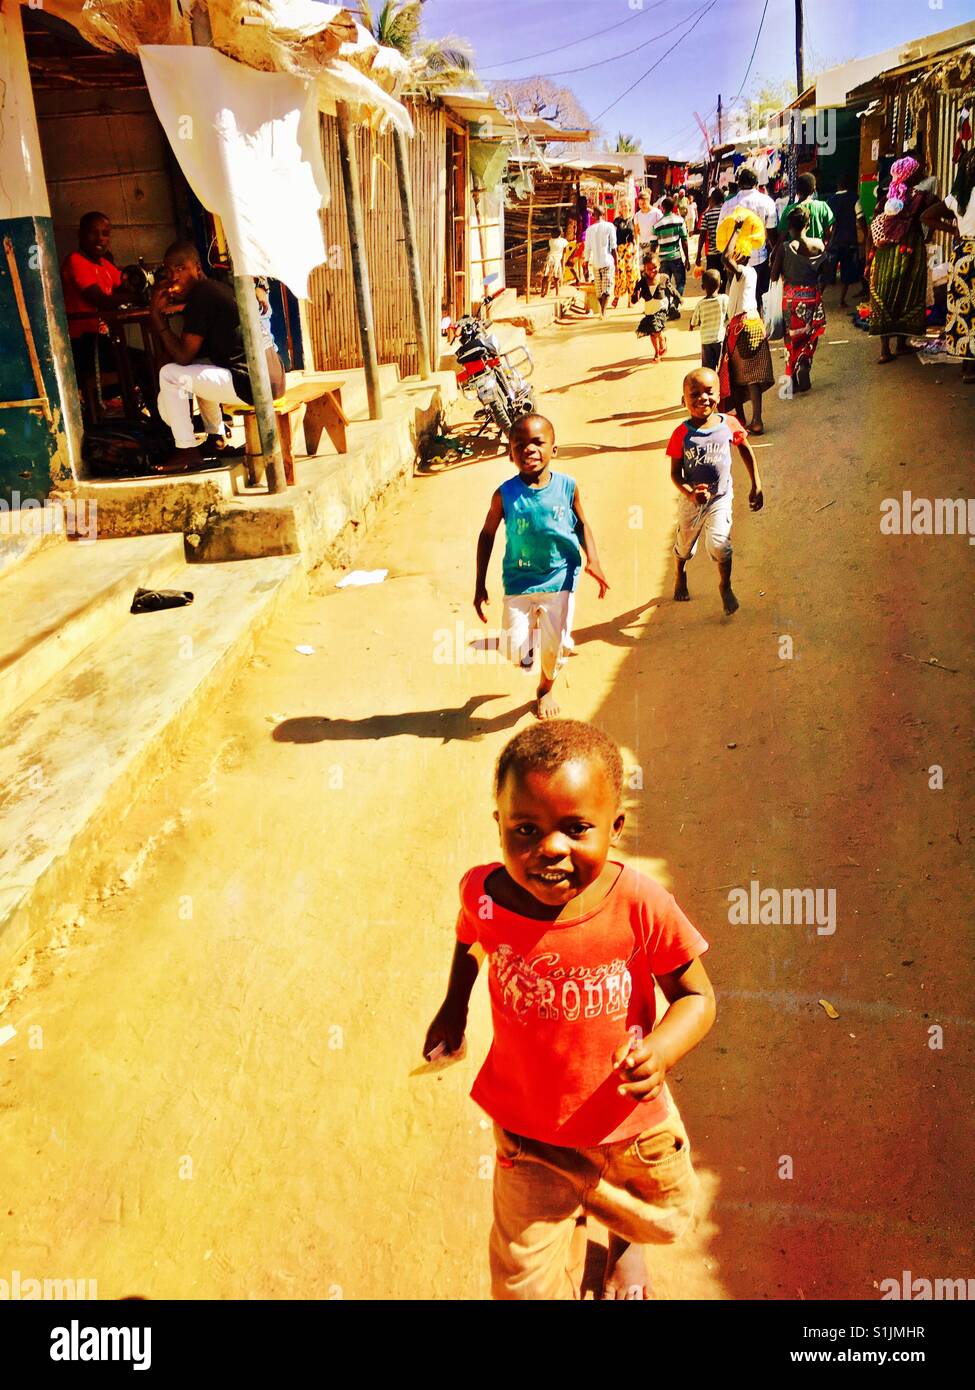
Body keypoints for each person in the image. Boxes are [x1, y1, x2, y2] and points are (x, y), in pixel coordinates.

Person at [423, 718, 715, 1300]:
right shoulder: (482, 892)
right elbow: (469, 938)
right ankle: (583, 1219)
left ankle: (623, 1251)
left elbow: (697, 998)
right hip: (529, 1132)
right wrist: (453, 1006)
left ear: (616, 828)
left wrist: (659, 1049)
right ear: (498, 825)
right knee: (519, 1285)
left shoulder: (639, 903)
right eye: (525, 828)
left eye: (577, 828)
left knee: (645, 1210)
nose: (550, 848)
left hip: (624, 1126)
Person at [473, 415, 609, 720]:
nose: (529, 450)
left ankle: (546, 688)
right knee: (516, 652)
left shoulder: (567, 487)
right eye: (519, 445)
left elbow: (581, 523)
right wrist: (479, 584)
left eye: (538, 442)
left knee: (554, 648)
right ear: (510, 454)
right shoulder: (504, 494)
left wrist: (594, 560)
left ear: (554, 449)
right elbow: (487, 534)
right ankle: (534, 634)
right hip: (519, 581)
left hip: (560, 577)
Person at [149, 241, 285, 471]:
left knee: (170, 374)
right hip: (273, 377)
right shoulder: (213, 288)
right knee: (196, 366)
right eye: (169, 271)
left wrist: (157, 316)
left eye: (181, 269)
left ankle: (186, 450)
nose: (173, 277)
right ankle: (215, 437)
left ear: (197, 268)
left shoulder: (201, 297)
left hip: (253, 385)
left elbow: (182, 356)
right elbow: (191, 356)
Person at [668, 367, 763, 616]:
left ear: (719, 395)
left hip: (720, 497)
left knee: (720, 544)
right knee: (684, 546)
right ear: (684, 401)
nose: (703, 398)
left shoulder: (728, 424)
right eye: (695, 393)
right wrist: (690, 493)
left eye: (709, 392)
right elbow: (675, 474)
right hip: (692, 503)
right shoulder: (680, 434)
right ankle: (680, 572)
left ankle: (725, 584)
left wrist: (756, 484)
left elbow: (745, 449)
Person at [865, 155, 937, 364]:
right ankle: (901, 343)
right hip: (910, 251)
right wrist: (929, 234)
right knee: (908, 293)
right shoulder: (921, 197)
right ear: (911, 175)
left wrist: (869, 260)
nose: (922, 174)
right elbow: (938, 211)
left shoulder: (886, 197)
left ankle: (885, 349)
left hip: (884, 254)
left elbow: (873, 227)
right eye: (919, 171)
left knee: (885, 296)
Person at [61, 212, 134, 386]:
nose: (100, 238)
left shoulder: (104, 264)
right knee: (140, 365)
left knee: (147, 361)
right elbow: (100, 300)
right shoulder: (75, 261)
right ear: (80, 235)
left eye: (105, 233)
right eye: (94, 233)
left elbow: (126, 285)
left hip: (101, 340)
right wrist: (135, 296)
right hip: (83, 343)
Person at [922, 148, 975, 384]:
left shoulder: (959, 198)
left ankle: (968, 368)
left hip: (963, 257)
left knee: (965, 312)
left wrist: (954, 229)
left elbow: (927, 216)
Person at [720, 214, 775, 435]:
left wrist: (735, 229)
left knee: (737, 375)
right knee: (747, 377)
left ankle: (747, 419)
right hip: (749, 324)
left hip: (741, 327)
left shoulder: (744, 272)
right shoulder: (741, 277)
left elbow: (725, 258)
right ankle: (753, 419)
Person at [770, 206, 828, 393]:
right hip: (812, 295)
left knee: (791, 338)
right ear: (808, 224)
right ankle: (805, 360)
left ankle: (791, 380)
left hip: (790, 299)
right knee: (810, 334)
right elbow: (826, 272)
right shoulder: (818, 245)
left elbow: (773, 276)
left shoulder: (785, 248)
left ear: (789, 227)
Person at [722, 168, 778, 312]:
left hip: (733, 261)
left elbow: (720, 232)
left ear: (739, 183)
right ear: (757, 183)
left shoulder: (728, 204)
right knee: (758, 298)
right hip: (760, 259)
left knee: (738, 299)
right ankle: (757, 327)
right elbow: (771, 233)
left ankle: (740, 331)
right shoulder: (767, 202)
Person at [826, 172, 863, 309]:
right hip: (849, 241)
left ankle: (820, 298)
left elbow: (828, 224)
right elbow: (860, 217)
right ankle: (841, 300)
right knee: (847, 273)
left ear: (838, 185)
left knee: (828, 272)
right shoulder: (854, 198)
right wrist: (865, 234)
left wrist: (826, 239)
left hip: (834, 241)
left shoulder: (830, 200)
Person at [630, 250, 672, 362]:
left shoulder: (663, 277)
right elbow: (633, 299)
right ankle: (657, 352)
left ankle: (662, 341)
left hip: (661, 308)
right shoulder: (642, 282)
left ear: (659, 265)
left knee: (656, 328)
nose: (652, 271)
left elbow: (671, 289)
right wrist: (636, 296)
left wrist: (678, 299)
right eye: (649, 268)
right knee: (652, 333)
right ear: (644, 268)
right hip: (649, 309)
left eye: (654, 267)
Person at [690, 268, 730, 371]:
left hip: (706, 341)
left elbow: (694, 321)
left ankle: (710, 385)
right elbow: (730, 314)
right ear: (720, 283)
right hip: (720, 339)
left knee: (708, 369)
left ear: (703, 287)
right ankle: (722, 385)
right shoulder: (724, 299)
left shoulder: (700, 304)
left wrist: (692, 325)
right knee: (723, 367)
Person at [777, 172, 834, 244]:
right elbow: (829, 232)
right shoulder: (823, 207)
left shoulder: (789, 210)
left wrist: (774, 253)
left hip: (795, 253)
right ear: (813, 190)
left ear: (797, 190)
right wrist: (825, 248)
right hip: (817, 252)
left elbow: (782, 237)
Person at [582, 206, 617, 317]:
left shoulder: (589, 230)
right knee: (606, 288)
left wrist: (586, 264)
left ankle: (602, 311)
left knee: (599, 289)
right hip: (607, 262)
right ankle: (603, 311)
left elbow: (587, 249)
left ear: (594, 215)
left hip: (596, 263)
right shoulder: (610, 226)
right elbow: (613, 247)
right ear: (604, 214)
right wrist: (616, 263)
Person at [654, 196, 690, 297]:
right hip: (676, 258)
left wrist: (655, 261)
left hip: (663, 260)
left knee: (664, 284)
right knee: (681, 282)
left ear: (662, 208)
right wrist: (687, 258)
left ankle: (669, 305)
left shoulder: (657, 225)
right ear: (673, 207)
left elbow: (654, 244)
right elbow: (684, 241)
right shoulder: (679, 221)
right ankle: (675, 303)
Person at [695, 188, 726, 288]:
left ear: (712, 200)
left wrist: (699, 253)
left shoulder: (707, 215)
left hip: (712, 253)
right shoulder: (727, 213)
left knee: (712, 280)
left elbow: (702, 235)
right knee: (723, 279)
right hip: (725, 253)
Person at [611, 200, 637, 309]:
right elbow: (612, 236)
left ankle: (630, 299)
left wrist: (636, 247)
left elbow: (636, 234)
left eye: (626, 205)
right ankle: (617, 296)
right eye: (622, 206)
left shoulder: (633, 219)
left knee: (631, 273)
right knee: (620, 273)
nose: (624, 207)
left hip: (630, 248)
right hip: (619, 249)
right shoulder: (616, 221)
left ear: (630, 207)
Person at [633, 187, 663, 263]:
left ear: (648, 201)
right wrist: (636, 246)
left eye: (643, 203)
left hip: (653, 244)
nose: (641, 206)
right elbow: (636, 232)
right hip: (641, 245)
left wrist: (658, 246)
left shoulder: (657, 213)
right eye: (639, 204)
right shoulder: (637, 215)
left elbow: (661, 230)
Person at [540, 227, 569, 298]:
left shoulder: (550, 241)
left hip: (550, 259)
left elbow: (548, 249)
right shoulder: (563, 241)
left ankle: (542, 291)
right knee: (556, 278)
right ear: (561, 233)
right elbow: (566, 249)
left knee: (546, 276)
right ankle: (557, 293)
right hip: (556, 260)